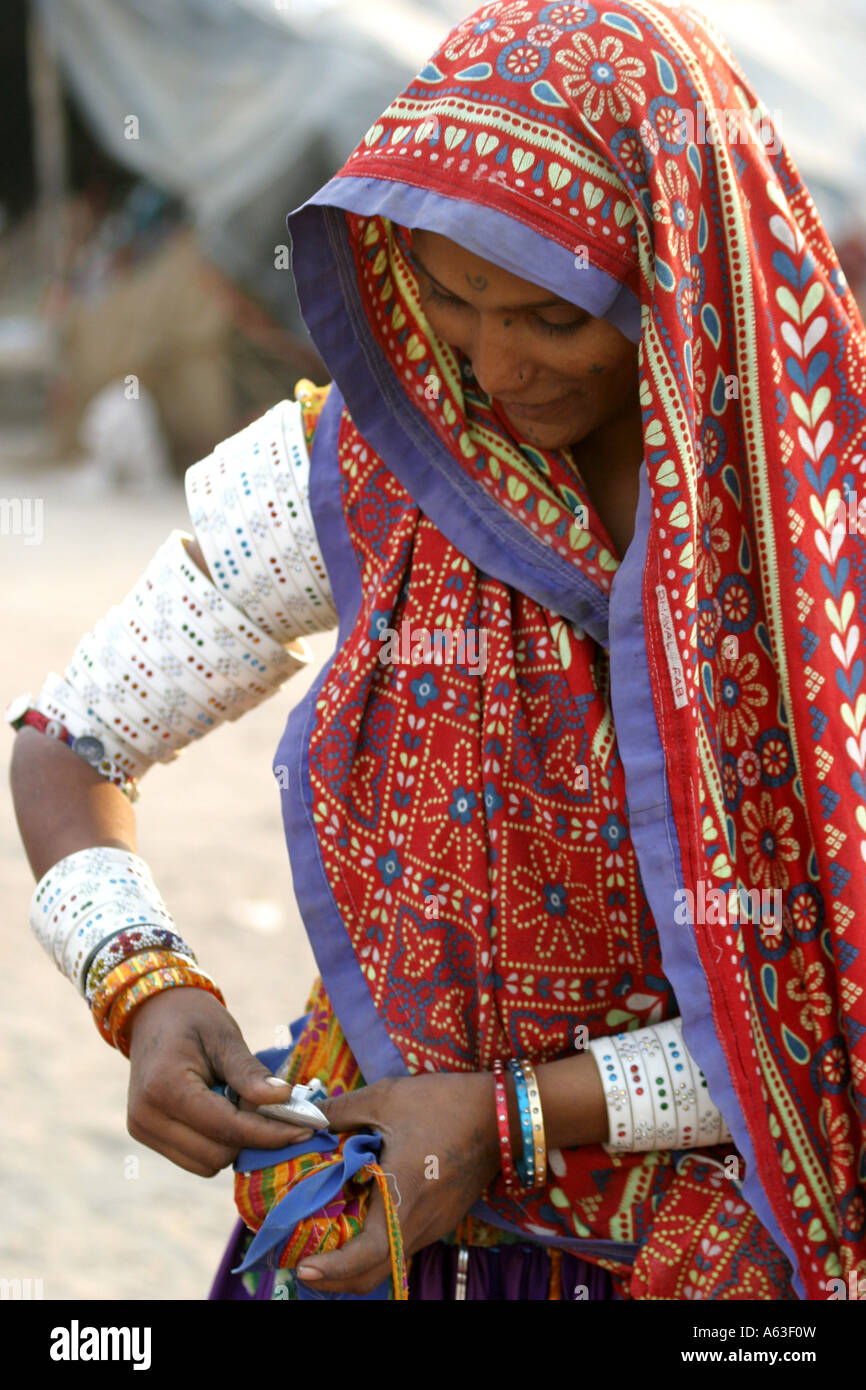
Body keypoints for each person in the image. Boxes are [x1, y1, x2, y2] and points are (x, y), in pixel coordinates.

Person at [9, 0, 866, 1301]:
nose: (494, 365)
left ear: (675, 278)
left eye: (552, 317)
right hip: (366, 1220)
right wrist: (143, 987)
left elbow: (820, 979)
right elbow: (69, 744)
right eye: (449, 299)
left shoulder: (815, 544)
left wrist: (514, 1115)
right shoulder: (365, 469)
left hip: (695, 1261)